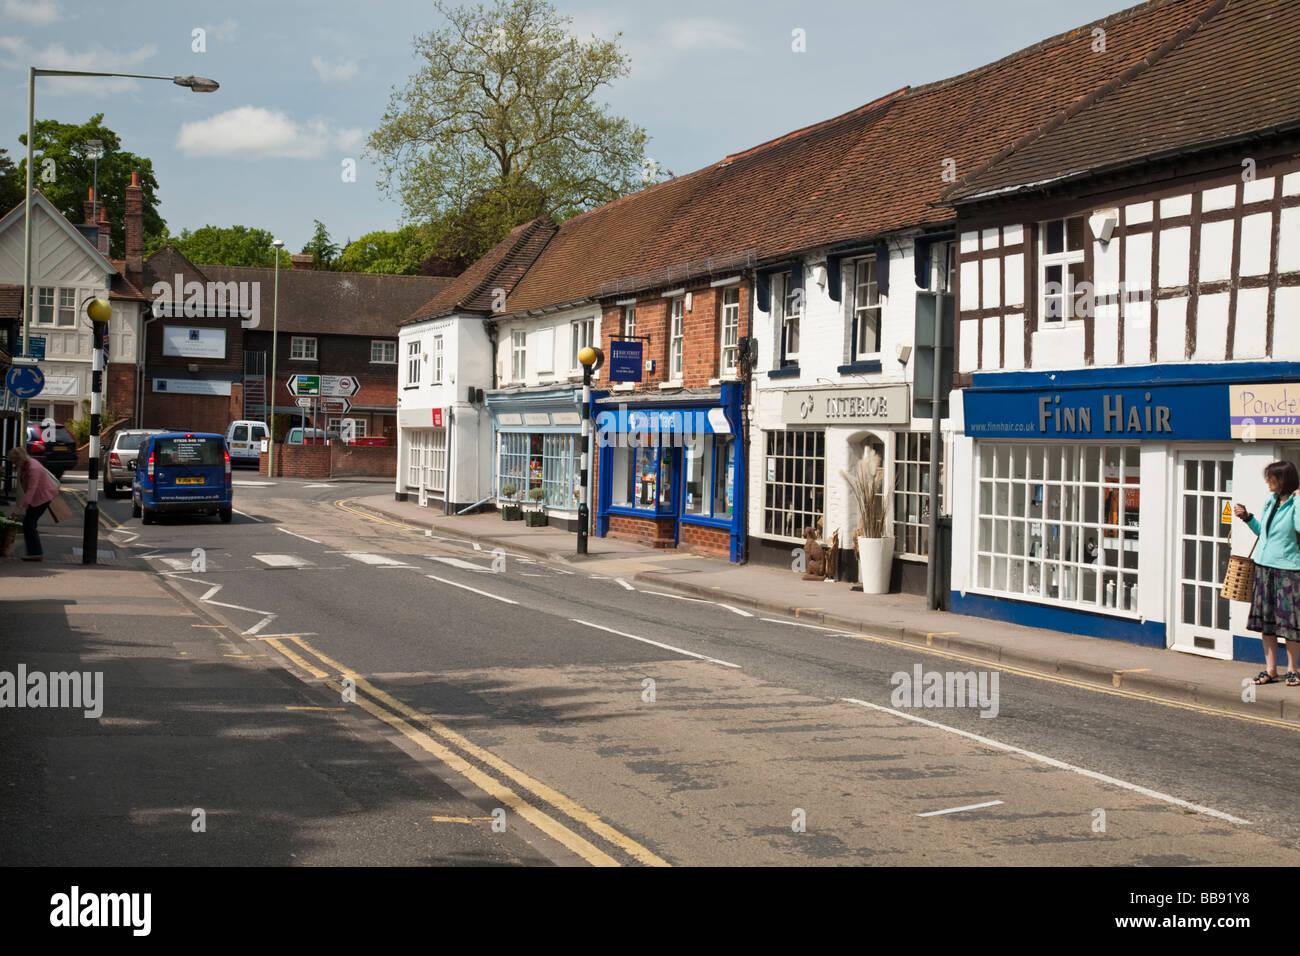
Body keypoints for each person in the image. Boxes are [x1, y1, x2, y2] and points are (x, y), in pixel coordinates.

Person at [1234, 461, 1300, 685]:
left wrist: (1299, 499)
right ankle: (1271, 670)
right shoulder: (1271, 501)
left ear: (1283, 479)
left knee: (1290, 624)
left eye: (1271, 477)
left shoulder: (1295, 502)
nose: (1267, 481)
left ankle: (1292, 670)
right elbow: (1264, 533)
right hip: (1264, 567)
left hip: (1288, 569)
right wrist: (1247, 517)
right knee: (1267, 622)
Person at [6, 445, 60, 562]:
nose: (15, 464)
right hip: (37, 497)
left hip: (42, 498)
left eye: (15, 462)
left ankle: (36, 553)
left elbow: (31, 491)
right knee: (29, 524)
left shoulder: (33, 468)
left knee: (29, 524)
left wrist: (17, 510)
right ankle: (34, 552)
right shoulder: (26, 465)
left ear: (20, 459)